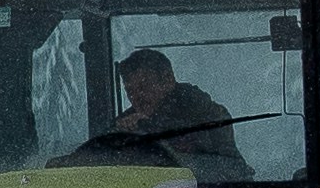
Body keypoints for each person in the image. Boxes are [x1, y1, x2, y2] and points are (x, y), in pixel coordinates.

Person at [96, 44, 241, 169]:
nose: (137, 98)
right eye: (130, 91)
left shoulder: (205, 113)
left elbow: (218, 167)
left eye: (144, 87)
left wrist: (146, 128)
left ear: (167, 80)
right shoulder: (129, 122)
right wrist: (119, 135)